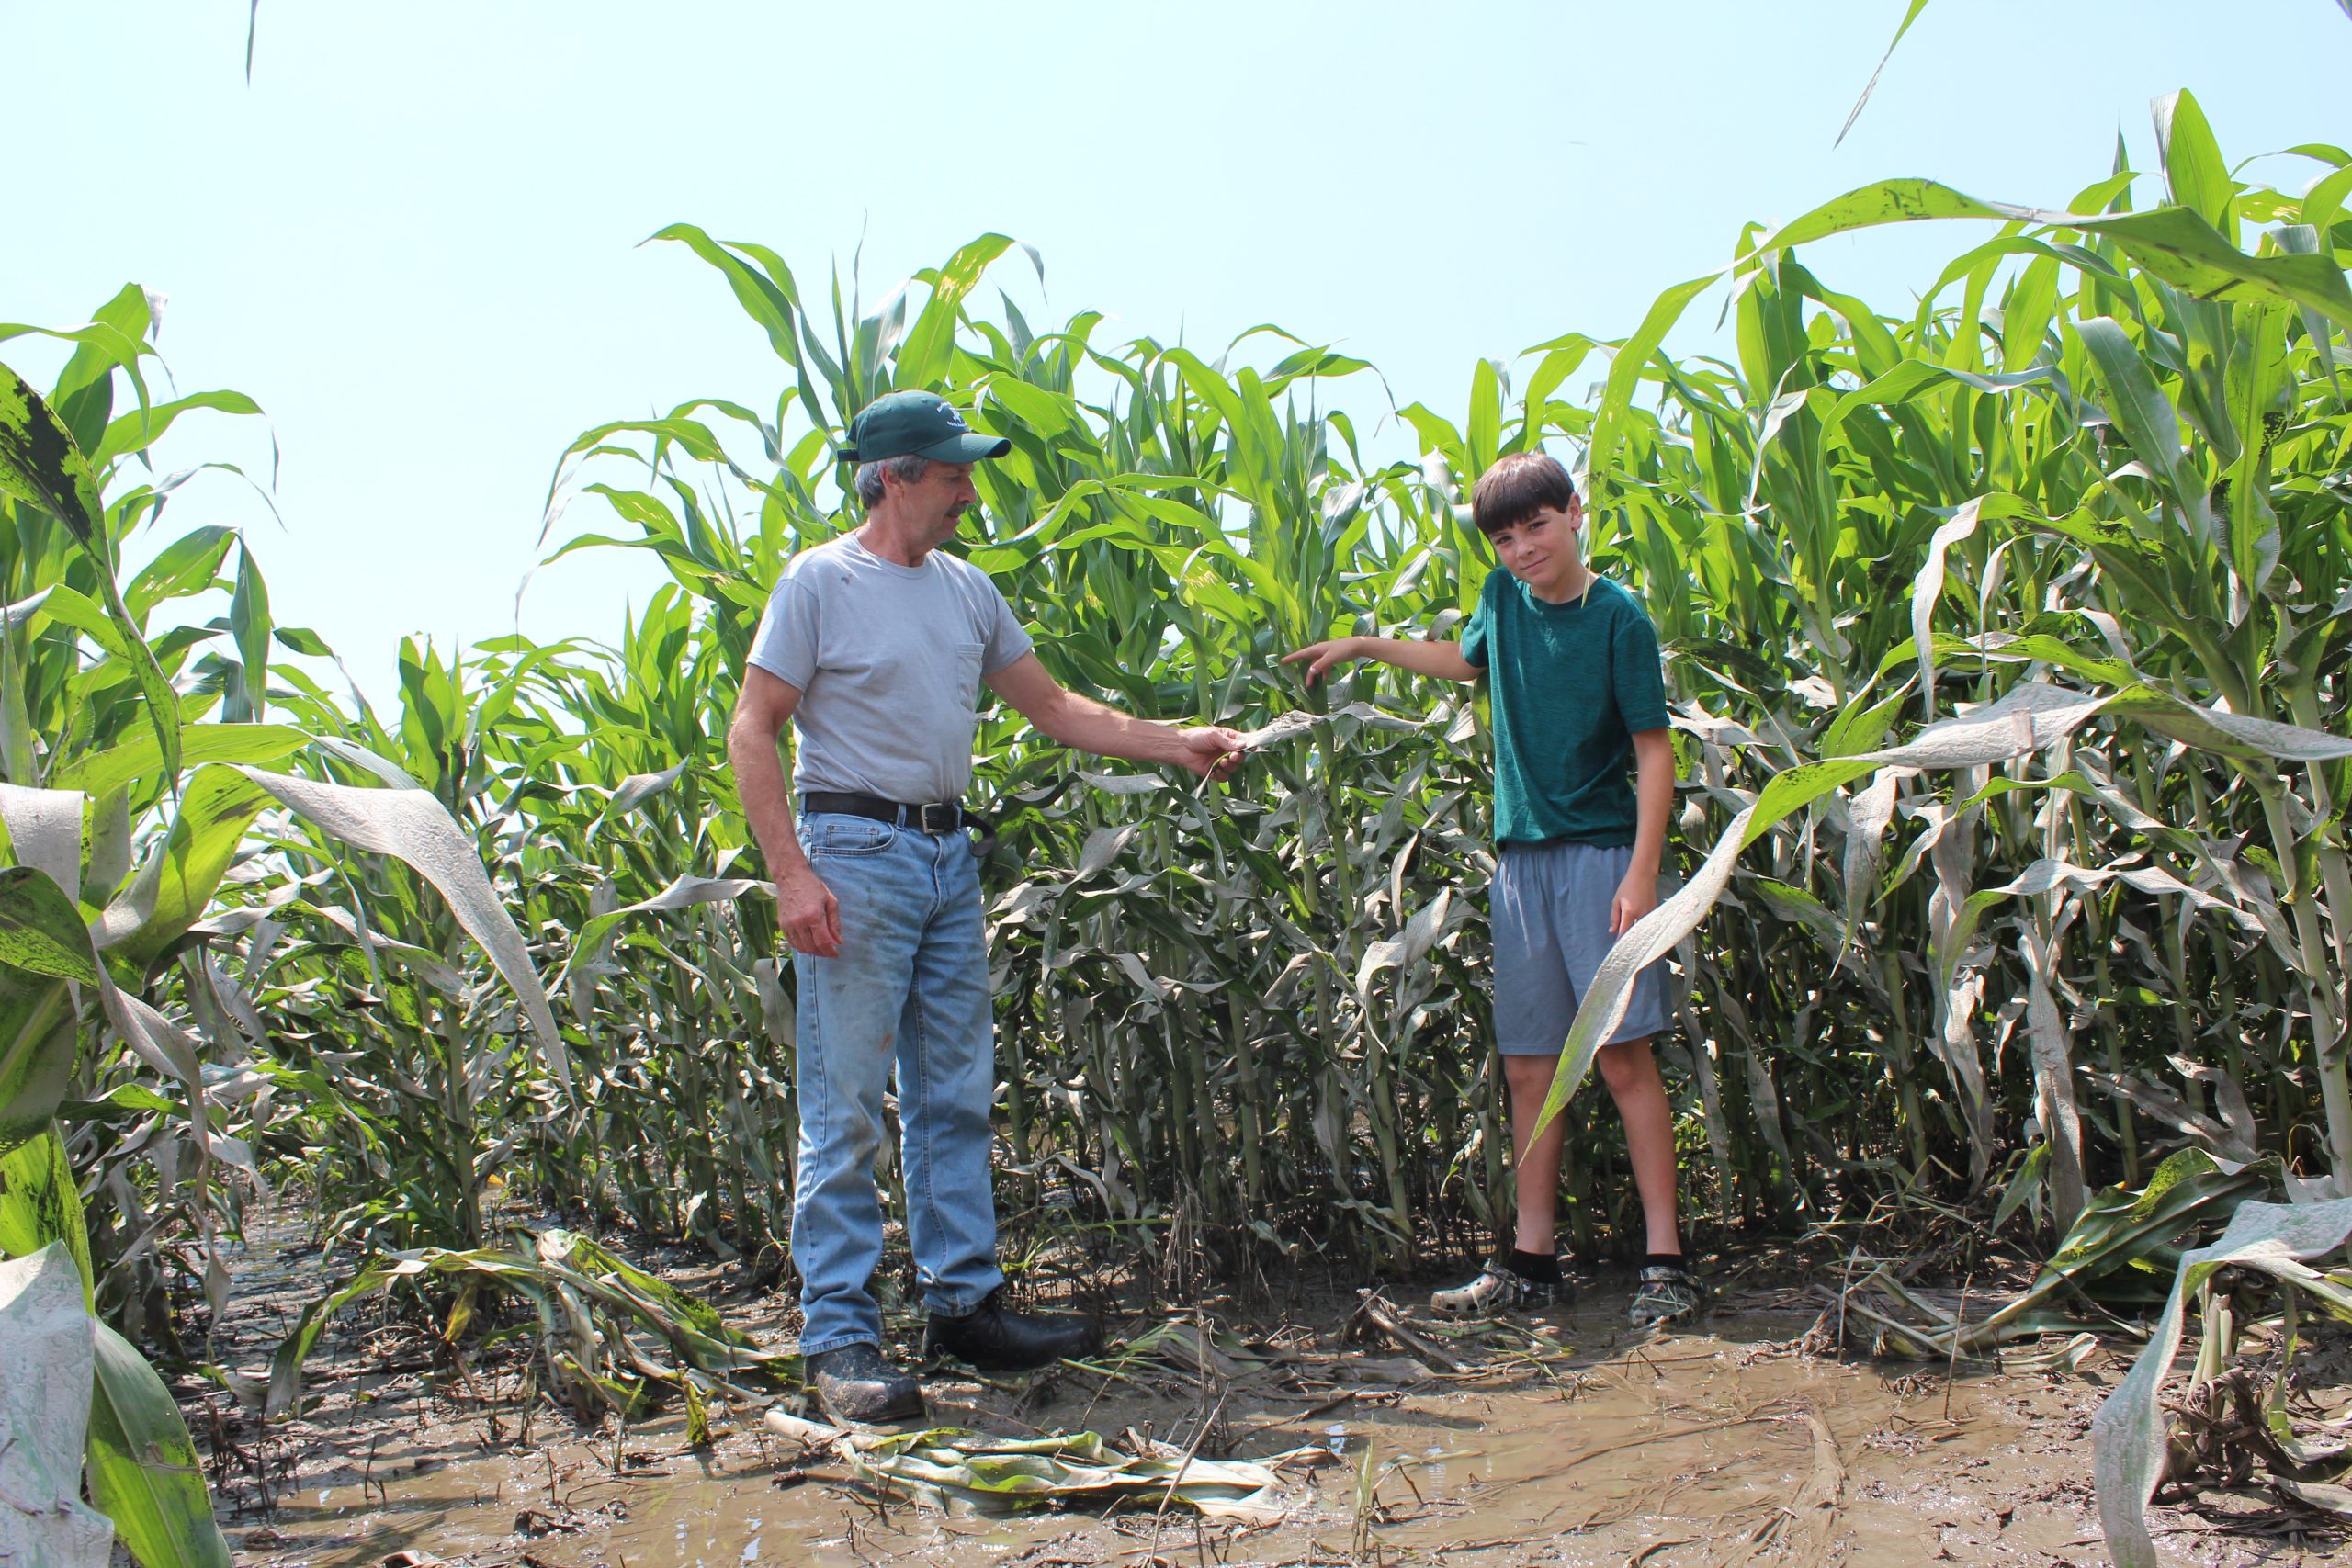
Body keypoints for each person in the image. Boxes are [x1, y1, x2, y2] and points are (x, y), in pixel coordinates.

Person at [728, 390, 1244, 1424]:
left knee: (953, 1094)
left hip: (942, 856)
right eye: (953, 471)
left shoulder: (966, 592)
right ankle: (838, 1338)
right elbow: (755, 728)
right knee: (843, 1107)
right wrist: (792, 874)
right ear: (894, 477)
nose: (969, 489)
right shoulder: (820, 581)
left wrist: (1174, 741)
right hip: (854, 852)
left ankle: (963, 1307)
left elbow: (1055, 709)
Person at [1283, 450, 1700, 1328]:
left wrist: (1638, 875)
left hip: (1599, 859)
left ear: (1574, 513)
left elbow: (1654, 751)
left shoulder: (1617, 617)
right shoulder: (1502, 599)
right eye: (1503, 538)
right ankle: (1530, 1262)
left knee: (1623, 1058)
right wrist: (1364, 643)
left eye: (1535, 528)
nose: (1521, 550)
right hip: (1521, 864)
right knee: (1526, 1067)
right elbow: (1463, 661)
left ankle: (1666, 1263)